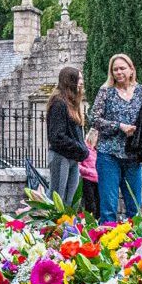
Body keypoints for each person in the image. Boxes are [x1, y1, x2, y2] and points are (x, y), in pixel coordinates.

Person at [90, 54, 142, 222]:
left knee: (135, 207)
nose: (119, 72)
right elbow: (94, 119)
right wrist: (119, 126)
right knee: (108, 206)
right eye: (115, 69)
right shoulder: (106, 92)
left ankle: (134, 245)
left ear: (131, 70)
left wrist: (140, 132)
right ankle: (108, 243)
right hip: (109, 154)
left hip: (133, 155)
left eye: (122, 68)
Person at [46, 66, 89, 206]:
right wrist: (80, 149)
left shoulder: (72, 104)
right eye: (79, 79)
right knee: (57, 198)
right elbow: (57, 136)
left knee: (71, 200)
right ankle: (50, 226)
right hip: (60, 157)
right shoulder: (59, 103)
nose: (81, 82)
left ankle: (67, 226)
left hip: (72, 158)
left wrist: (81, 149)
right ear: (70, 80)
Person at [80, 129, 101, 217]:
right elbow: (78, 166)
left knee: (99, 204)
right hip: (87, 180)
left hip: (97, 180)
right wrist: (90, 172)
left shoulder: (96, 151)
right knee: (90, 204)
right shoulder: (84, 149)